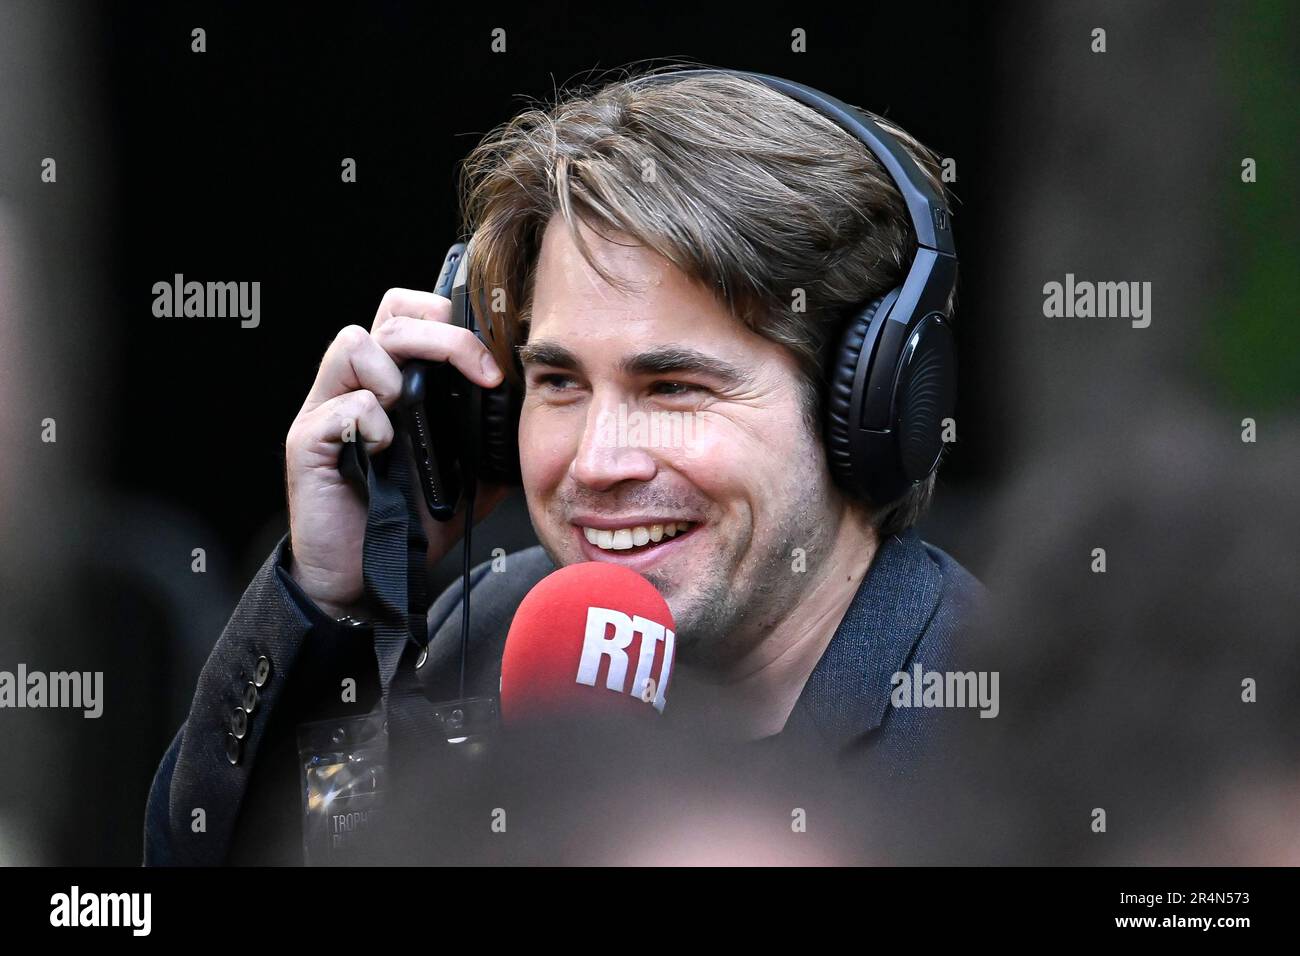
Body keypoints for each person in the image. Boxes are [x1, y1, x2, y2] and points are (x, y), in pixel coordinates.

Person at [144, 67, 985, 865]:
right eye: (558, 382)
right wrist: (335, 604)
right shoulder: (484, 637)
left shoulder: (992, 731)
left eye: (673, 387)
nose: (596, 460)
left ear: (873, 407)